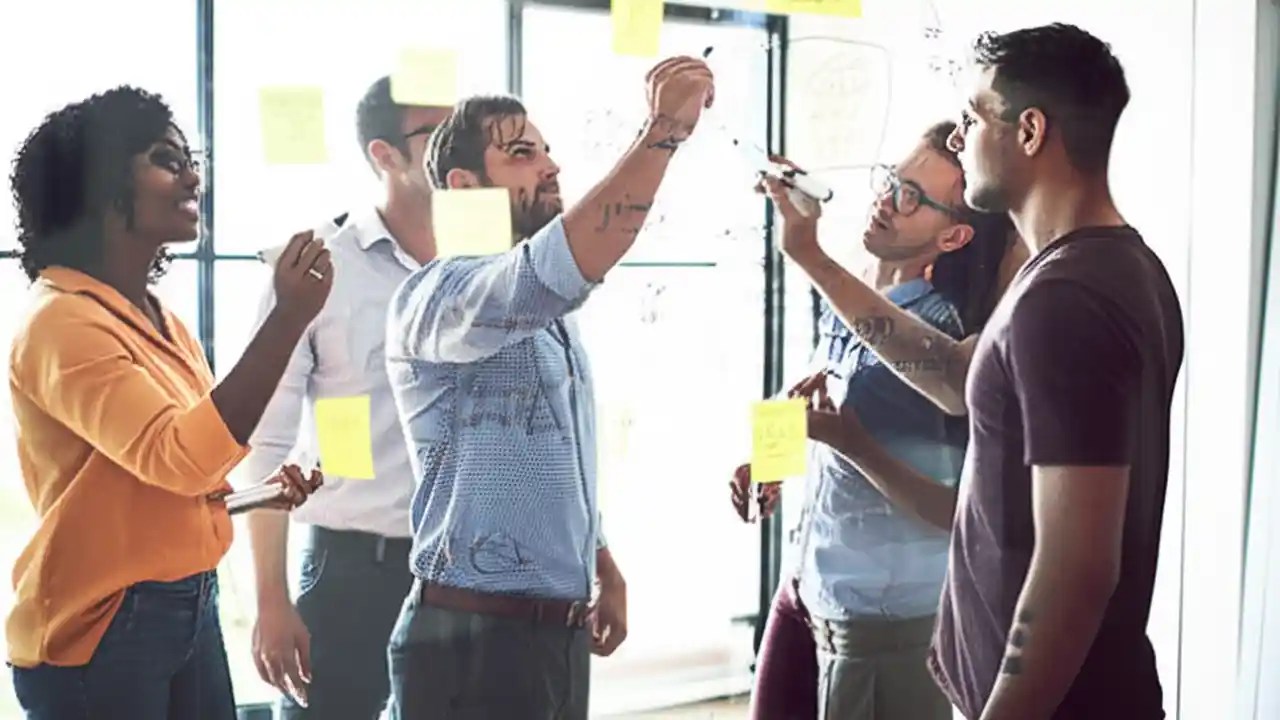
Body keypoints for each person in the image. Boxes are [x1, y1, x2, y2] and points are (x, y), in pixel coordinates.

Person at [381, 56, 714, 719]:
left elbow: (552, 448)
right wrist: (664, 131)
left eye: (548, 150)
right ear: (464, 184)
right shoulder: (439, 297)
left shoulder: (547, 319)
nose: (552, 166)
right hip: (472, 643)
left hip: (548, 636)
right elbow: (553, 270)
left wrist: (598, 557)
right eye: (523, 154)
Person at [5, 86, 329, 719]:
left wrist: (261, 493)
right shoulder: (63, 324)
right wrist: (289, 317)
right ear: (100, 188)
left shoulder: (160, 320)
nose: (193, 175)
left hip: (187, 606)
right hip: (105, 630)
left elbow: (175, 485)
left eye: (190, 158)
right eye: (166, 158)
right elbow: (180, 459)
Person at [920, 24, 1178, 719]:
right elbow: (958, 379)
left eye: (974, 117)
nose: (959, 138)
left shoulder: (1067, 298)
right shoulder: (1114, 268)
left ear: (1030, 131)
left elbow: (1077, 569)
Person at [734, 121, 1019, 720]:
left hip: (884, 626)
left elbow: (956, 512)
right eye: (892, 180)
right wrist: (773, 458)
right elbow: (822, 397)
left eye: (913, 197)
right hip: (807, 591)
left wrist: (850, 442)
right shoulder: (852, 298)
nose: (886, 201)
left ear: (954, 236)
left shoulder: (943, 335)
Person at [242, 76, 451, 719]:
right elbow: (266, 443)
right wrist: (271, 601)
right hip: (350, 571)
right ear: (383, 155)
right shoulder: (314, 264)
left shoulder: (491, 262)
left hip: (466, 576)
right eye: (437, 135)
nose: (455, 149)